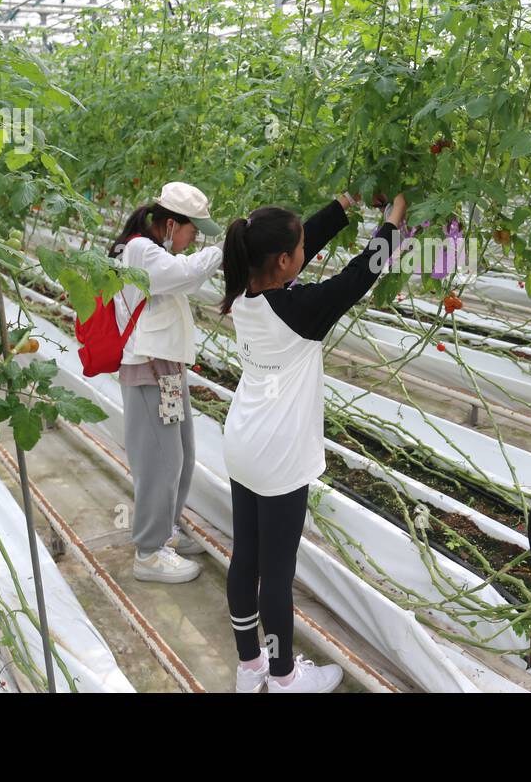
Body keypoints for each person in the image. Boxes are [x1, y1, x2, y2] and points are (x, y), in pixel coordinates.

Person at [220, 191, 405, 693]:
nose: (306, 250)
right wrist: (394, 222)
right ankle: (283, 677)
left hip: (243, 441)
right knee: (277, 573)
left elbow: (301, 252)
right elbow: (359, 275)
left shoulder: (244, 288)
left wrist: (341, 208)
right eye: (299, 247)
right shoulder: (301, 310)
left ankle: (250, 666)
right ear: (284, 261)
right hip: (279, 454)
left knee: (247, 559)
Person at [109, 182, 224, 584]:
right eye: (194, 230)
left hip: (167, 369)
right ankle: (149, 551)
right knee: (159, 462)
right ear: (172, 224)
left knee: (182, 456)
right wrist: (224, 250)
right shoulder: (141, 249)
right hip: (147, 369)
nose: (195, 239)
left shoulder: (155, 251)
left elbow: (186, 280)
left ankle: (166, 533)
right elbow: (186, 276)